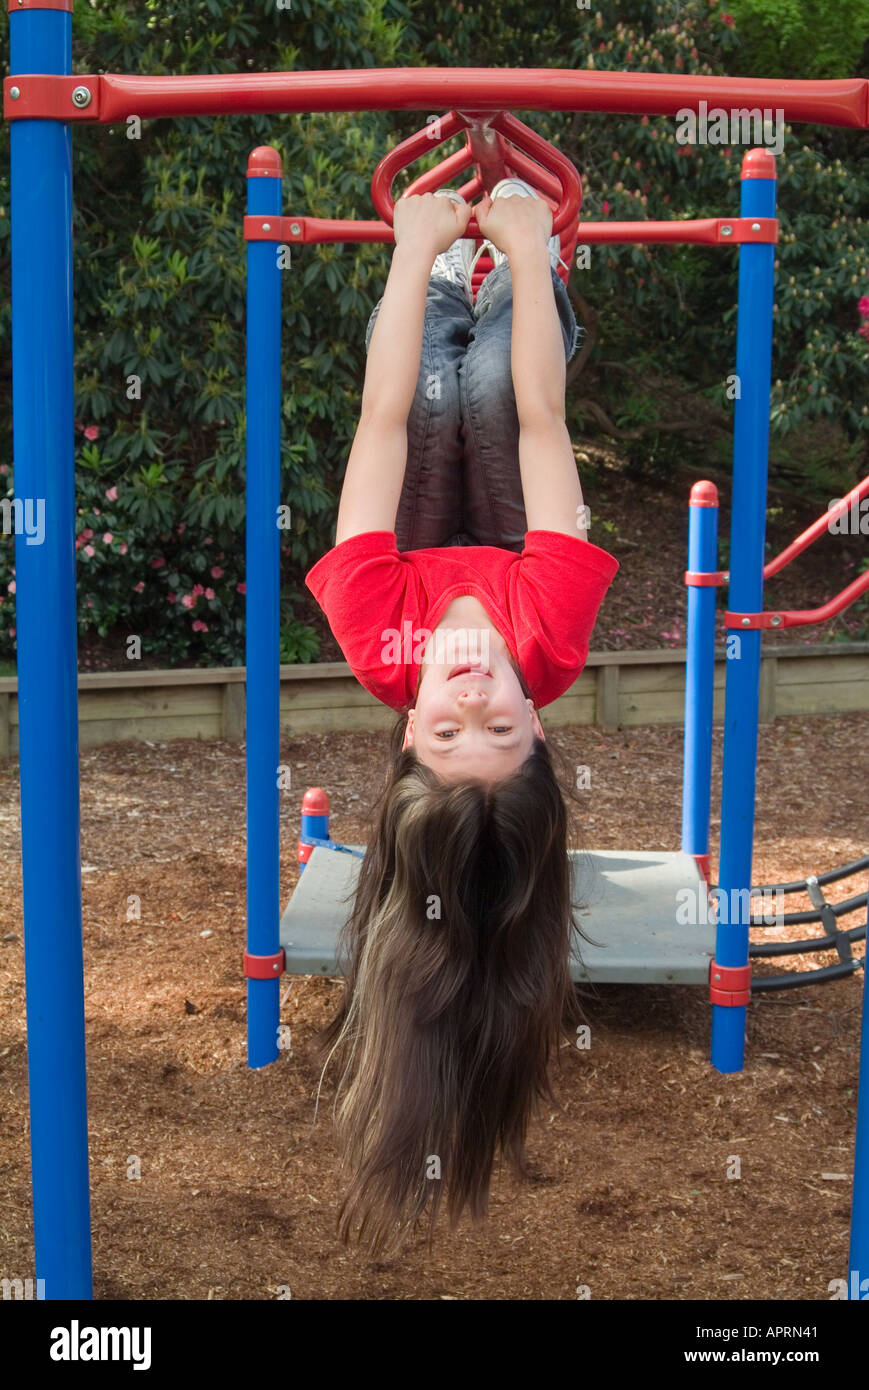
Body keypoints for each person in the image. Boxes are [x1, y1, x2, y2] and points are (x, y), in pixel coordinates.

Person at [305, 180, 620, 1254]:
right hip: (509, 429)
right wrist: (528, 252)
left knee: (428, 402)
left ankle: (443, 284)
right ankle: (494, 288)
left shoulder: (373, 629)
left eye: (449, 734)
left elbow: (378, 420)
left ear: (405, 730)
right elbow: (544, 418)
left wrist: (413, 247)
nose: (478, 698)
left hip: (418, 437)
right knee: (491, 386)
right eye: (502, 731)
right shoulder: (551, 638)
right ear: (542, 726)